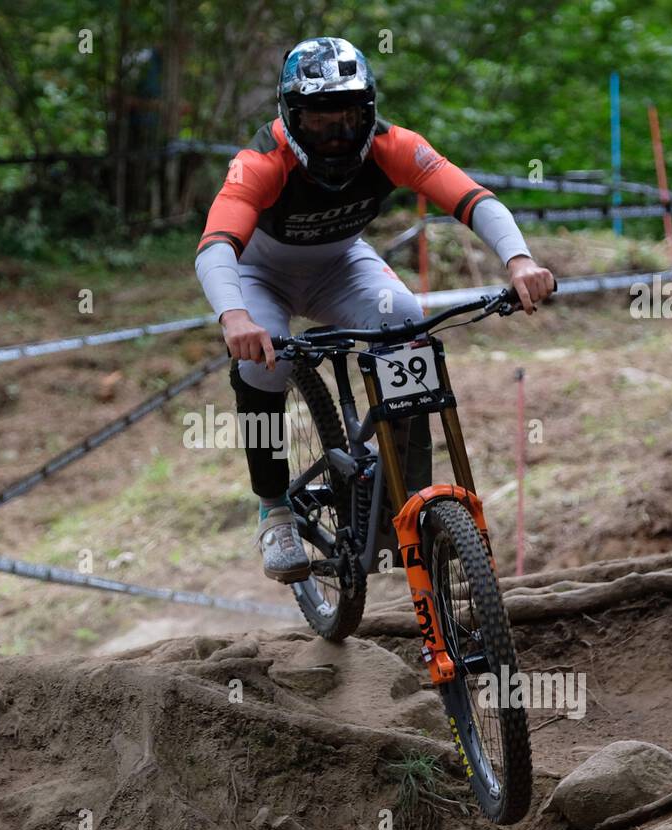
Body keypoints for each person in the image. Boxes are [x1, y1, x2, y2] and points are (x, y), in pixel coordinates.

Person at [194, 37, 553, 583]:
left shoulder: (395, 146)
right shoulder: (262, 160)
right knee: (264, 363)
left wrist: (520, 261)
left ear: (370, 112)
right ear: (291, 117)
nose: (336, 135)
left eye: (348, 117)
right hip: (258, 275)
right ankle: (275, 511)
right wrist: (234, 317)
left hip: (340, 265)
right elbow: (217, 243)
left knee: (405, 321)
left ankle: (405, 487)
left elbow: (472, 198)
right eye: (319, 122)